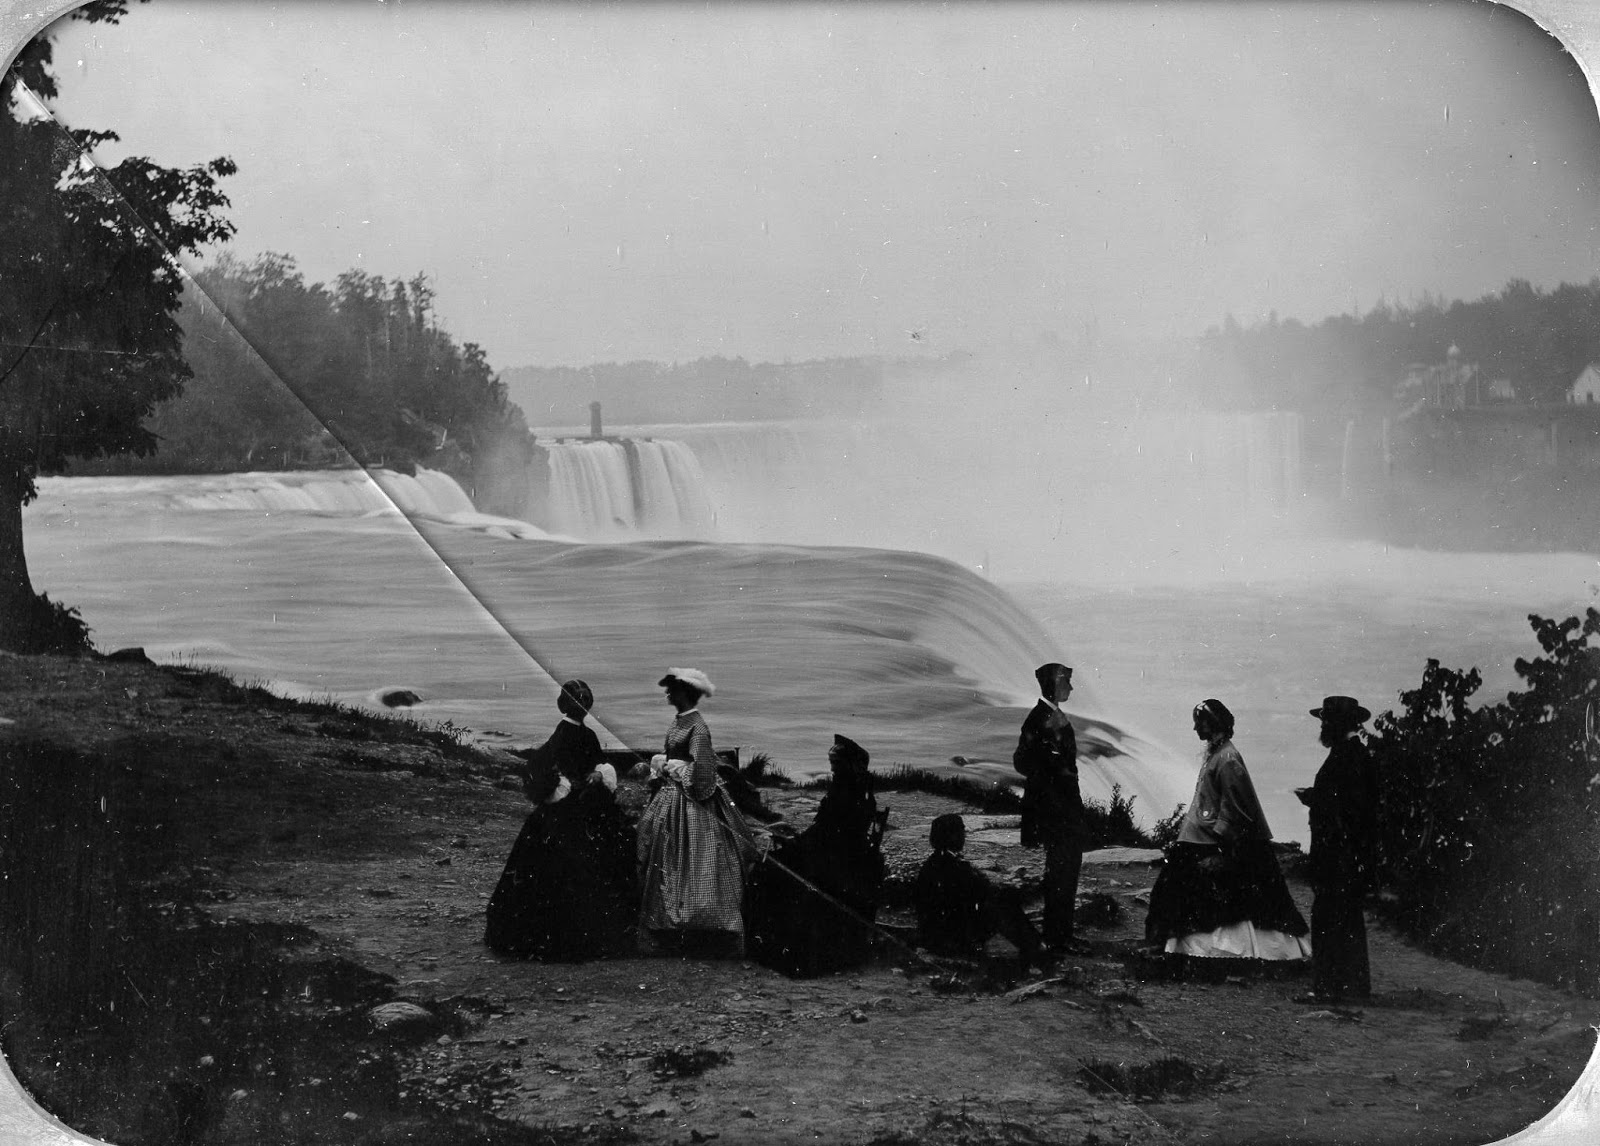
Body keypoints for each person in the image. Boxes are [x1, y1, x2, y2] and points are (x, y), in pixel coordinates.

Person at [1144, 699, 1310, 962]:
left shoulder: (1227, 758)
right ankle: (1162, 942)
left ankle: (1172, 945)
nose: (1195, 729)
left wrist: (1223, 852)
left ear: (1211, 725)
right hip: (1202, 839)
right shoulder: (1218, 754)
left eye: (1199, 723)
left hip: (1215, 842)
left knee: (1184, 890)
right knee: (1171, 888)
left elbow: (1233, 808)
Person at [484, 680, 637, 960]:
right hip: (569, 807)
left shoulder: (586, 734)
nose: (584, 708)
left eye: (585, 703)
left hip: (587, 804)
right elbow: (549, 768)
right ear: (570, 706)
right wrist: (572, 785)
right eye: (579, 703)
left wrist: (599, 775)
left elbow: (596, 762)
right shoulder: (565, 733)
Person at [635, 667, 765, 955]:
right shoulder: (680, 722)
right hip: (673, 796)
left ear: (686, 693)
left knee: (698, 858)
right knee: (661, 850)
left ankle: (701, 926)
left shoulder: (698, 727)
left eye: (672, 689)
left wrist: (679, 770)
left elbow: (703, 769)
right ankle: (669, 924)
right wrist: (667, 767)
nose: (668, 693)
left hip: (693, 802)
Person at [746, 734, 887, 977]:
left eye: (835, 765)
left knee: (770, 868)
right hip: (845, 854)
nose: (832, 769)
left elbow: (824, 836)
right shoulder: (856, 789)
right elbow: (824, 832)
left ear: (847, 765)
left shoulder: (844, 794)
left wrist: (793, 843)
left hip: (837, 861)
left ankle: (769, 941)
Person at [1295, 695, 1379, 1002]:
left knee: (1330, 918)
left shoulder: (1347, 756)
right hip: (1346, 854)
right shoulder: (1352, 754)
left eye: (1327, 721)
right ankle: (1351, 987)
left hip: (1339, 855)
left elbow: (1349, 808)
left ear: (1340, 724)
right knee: (1346, 919)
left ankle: (1330, 988)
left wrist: (1313, 799)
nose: (1323, 726)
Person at [1013, 662, 1089, 954]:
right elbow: (1022, 762)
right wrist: (1052, 761)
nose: (1070, 687)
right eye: (1066, 682)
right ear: (1053, 685)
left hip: (1061, 808)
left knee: (1065, 872)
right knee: (1062, 873)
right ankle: (1058, 938)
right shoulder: (1040, 718)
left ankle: (1061, 934)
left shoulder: (1049, 715)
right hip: (1055, 812)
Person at [913, 813, 1050, 973]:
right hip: (947, 936)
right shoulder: (951, 866)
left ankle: (1035, 947)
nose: (964, 837)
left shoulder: (937, 862)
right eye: (960, 832)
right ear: (950, 835)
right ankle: (1036, 949)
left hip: (940, 931)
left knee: (1001, 903)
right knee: (1002, 907)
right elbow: (982, 891)